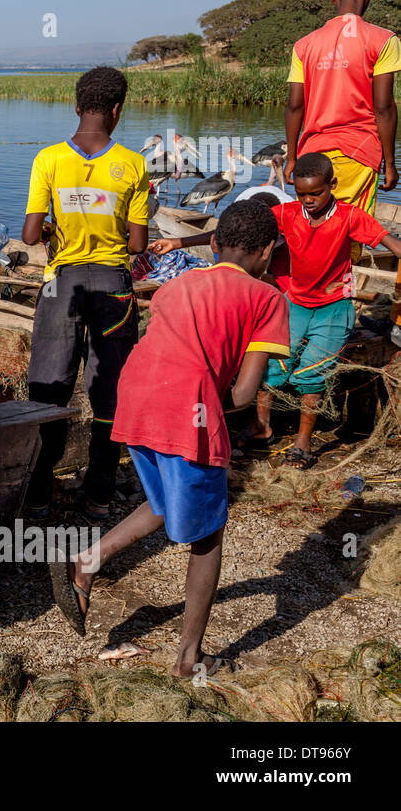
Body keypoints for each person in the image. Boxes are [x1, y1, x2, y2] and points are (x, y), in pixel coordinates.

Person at [51, 200, 289, 678]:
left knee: (163, 499)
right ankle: (188, 659)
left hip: (135, 397)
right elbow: (243, 393)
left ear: (214, 244)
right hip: (187, 409)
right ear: (268, 252)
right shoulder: (267, 299)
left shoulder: (179, 284)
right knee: (207, 535)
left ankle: (88, 560)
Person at [152, 153, 401, 469]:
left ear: (332, 185)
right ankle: (262, 425)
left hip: (333, 309)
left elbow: (391, 243)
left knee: (314, 372)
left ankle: (303, 443)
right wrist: (180, 243)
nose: (308, 201)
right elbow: (236, 235)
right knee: (271, 367)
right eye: (302, 194)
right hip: (294, 304)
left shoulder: (351, 217)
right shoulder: (286, 214)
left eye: (316, 193)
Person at [22, 67, 151, 522]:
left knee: (48, 388)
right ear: (117, 110)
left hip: (62, 285)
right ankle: (98, 494)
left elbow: (31, 232)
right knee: (110, 392)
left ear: (76, 107)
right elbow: (137, 245)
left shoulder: (49, 159)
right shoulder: (133, 164)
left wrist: (61, 229)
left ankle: (37, 494)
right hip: (114, 285)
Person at [284, 0, 399, 216]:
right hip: (359, 153)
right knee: (350, 233)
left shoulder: (303, 45)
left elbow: (295, 105)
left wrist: (292, 158)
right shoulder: (383, 40)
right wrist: (390, 162)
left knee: (315, 232)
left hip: (311, 156)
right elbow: (384, 106)